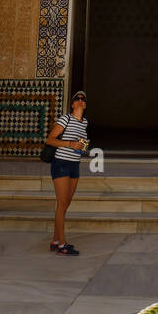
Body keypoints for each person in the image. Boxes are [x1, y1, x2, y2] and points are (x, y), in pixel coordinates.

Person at [45, 91, 89, 255]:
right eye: (77, 99)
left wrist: (82, 147)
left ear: (85, 104)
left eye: (82, 99)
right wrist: (70, 144)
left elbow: (82, 146)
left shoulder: (84, 122)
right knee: (62, 203)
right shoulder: (66, 119)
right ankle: (62, 244)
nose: (80, 101)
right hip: (61, 163)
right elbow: (50, 139)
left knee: (66, 203)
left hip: (74, 165)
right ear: (72, 104)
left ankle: (55, 240)